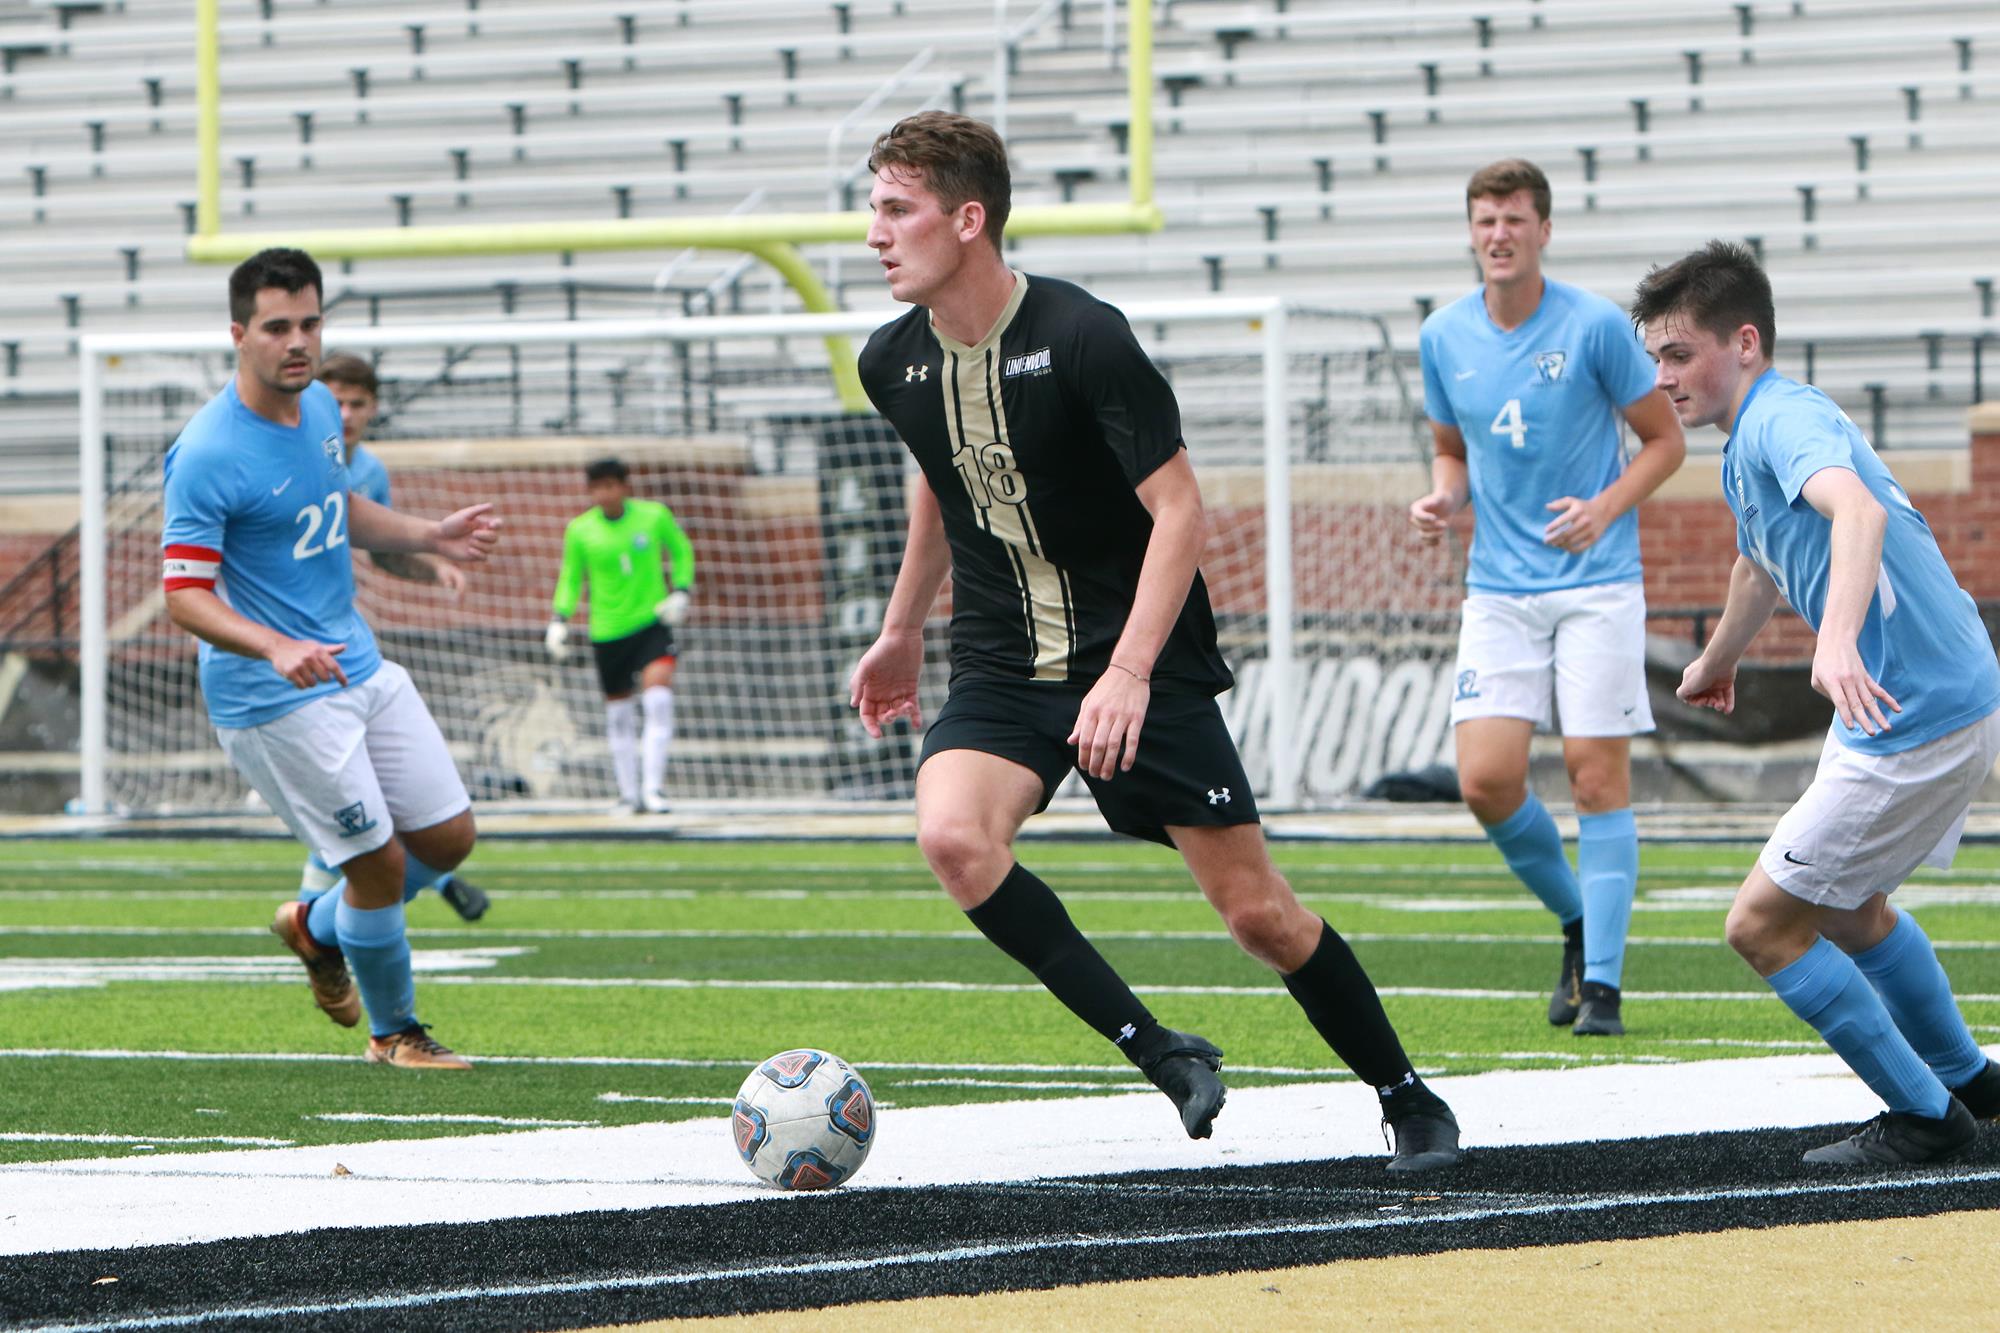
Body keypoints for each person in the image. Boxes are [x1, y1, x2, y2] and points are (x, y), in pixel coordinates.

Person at [849, 110, 1460, 1171]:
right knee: (952, 839)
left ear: (968, 218)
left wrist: (1128, 672)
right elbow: (937, 481)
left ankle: (1403, 1092)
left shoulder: (1085, 335)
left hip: (1140, 657)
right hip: (1002, 656)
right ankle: (1162, 1052)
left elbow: (1180, 511)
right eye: (873, 210)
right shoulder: (890, 361)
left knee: (1258, 915)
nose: (874, 235)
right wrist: (901, 627)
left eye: (895, 210)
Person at [1635, 239, 2000, 1165]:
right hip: (1921, 694)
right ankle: (1968, 1080)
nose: (1663, 377)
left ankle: (1926, 1119)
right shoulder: (1749, 439)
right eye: (1655, 358)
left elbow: (1860, 514)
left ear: (1744, 341)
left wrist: (1833, 641)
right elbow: (1759, 561)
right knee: (1848, 907)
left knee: (1760, 923)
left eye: (1679, 354)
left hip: (1911, 708)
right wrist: (1716, 659)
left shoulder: (1778, 420)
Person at [161, 247, 501, 1069]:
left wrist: (427, 532)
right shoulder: (206, 451)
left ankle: (313, 926)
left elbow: (333, 507)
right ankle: (396, 1034)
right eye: (278, 327)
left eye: (310, 322)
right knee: (379, 865)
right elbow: (183, 593)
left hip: (356, 662)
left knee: (449, 837)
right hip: (274, 696)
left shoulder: (317, 411)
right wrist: (274, 644)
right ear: (239, 334)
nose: (298, 341)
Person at [1410, 159, 1686, 1037]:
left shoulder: (1598, 326)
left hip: (1598, 585)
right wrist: (1443, 497)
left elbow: (1665, 441)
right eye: (1486, 219)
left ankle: (1602, 983)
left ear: (1544, 231)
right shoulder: (1442, 335)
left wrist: (1604, 507)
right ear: (1471, 230)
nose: (1499, 234)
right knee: (1485, 781)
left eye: (1516, 220)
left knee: (1595, 777)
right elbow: (1452, 451)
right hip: (1498, 589)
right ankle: (1579, 921)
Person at [292, 353, 490, 922]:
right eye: (336, 401)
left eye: (358, 403)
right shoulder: (282, 456)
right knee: (345, 793)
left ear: (374, 409)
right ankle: (321, 923)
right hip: (285, 654)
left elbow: (382, 552)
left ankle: (317, 925)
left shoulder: (368, 472)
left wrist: (434, 564)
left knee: (357, 792)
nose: (346, 414)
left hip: (342, 645)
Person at [544, 458, 695, 814]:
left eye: (611, 485)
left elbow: (682, 551)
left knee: (658, 701)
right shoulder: (580, 530)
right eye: (597, 487)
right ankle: (628, 794)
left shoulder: (653, 516)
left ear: (625, 486)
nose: (605, 494)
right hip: (607, 631)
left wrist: (682, 591)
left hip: (651, 624)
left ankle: (654, 790)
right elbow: (571, 577)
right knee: (619, 715)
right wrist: (559, 619)